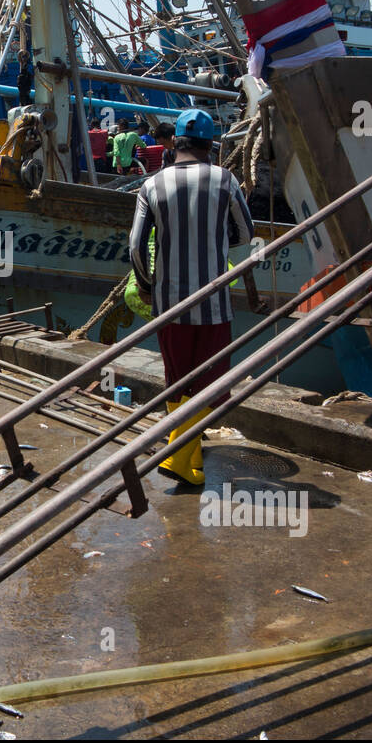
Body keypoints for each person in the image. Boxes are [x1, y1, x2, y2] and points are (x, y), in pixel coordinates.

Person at [128, 109, 267, 485]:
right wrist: (216, 241)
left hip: (168, 302)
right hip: (213, 300)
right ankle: (180, 459)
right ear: (210, 146)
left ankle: (181, 459)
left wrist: (146, 282)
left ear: (176, 144)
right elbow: (244, 232)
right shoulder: (225, 180)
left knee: (177, 381)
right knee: (208, 382)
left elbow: (137, 246)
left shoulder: (151, 186)